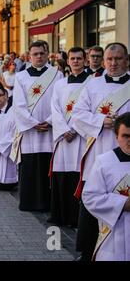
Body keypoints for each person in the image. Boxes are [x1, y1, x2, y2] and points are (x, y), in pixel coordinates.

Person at [72, 42, 130, 261]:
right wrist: (100, 121)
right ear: (103, 60)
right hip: (99, 153)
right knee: (94, 201)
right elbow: (77, 115)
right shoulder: (92, 85)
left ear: (127, 60)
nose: (113, 63)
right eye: (109, 59)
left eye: (118, 59)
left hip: (128, 157)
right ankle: (89, 253)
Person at [11, 40, 63, 212]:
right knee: (30, 168)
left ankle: (47, 204)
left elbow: (59, 103)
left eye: (42, 53)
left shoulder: (57, 75)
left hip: (50, 129)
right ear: (29, 56)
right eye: (35, 54)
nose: (39, 56)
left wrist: (49, 121)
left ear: (47, 54)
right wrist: (33, 124)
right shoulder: (21, 77)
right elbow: (18, 104)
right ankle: (29, 203)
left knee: (47, 167)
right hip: (30, 133)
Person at [49, 47, 89, 228]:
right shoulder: (60, 84)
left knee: (78, 175)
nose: (75, 62)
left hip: (80, 137)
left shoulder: (92, 83)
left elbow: (90, 109)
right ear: (68, 61)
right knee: (62, 177)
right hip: (64, 138)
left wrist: (74, 129)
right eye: (72, 58)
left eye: (79, 59)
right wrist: (64, 129)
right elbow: (55, 109)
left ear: (85, 60)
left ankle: (76, 218)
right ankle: (61, 215)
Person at [82, 112, 130, 261]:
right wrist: (122, 203)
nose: (129, 141)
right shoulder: (104, 162)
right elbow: (90, 197)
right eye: (125, 136)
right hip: (114, 237)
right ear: (116, 137)